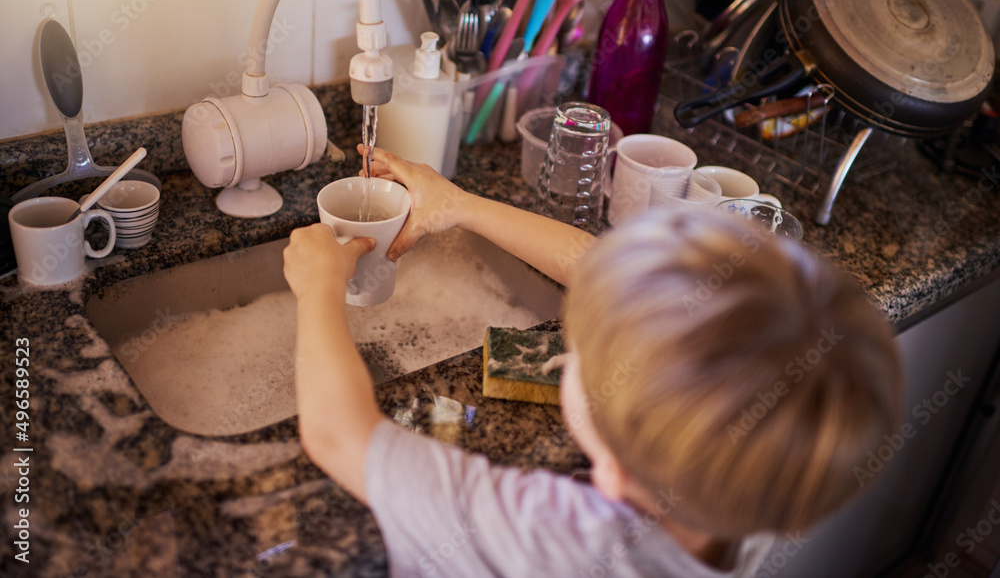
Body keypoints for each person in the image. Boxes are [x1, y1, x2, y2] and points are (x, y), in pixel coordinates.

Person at [282, 146, 902, 577]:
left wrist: (317, 287)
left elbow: (339, 433)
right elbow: (597, 270)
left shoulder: (549, 537)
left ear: (610, 453)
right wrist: (459, 204)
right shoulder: (758, 482)